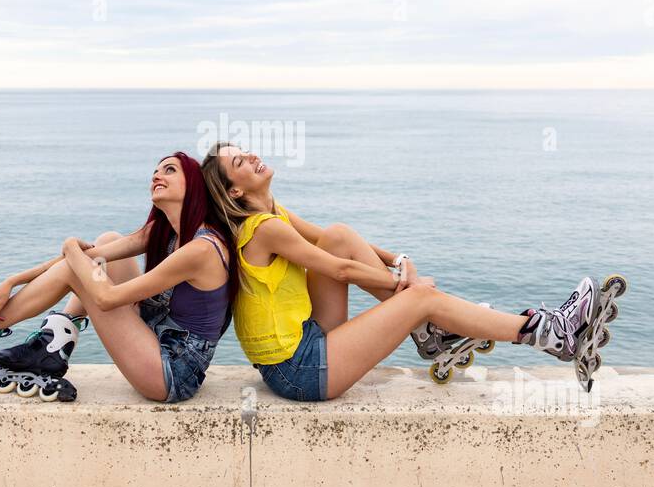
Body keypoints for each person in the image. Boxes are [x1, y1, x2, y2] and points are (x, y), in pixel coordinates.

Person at [200, 141, 624, 401]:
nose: (252, 155)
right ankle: (552, 334)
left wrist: (398, 261)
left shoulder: (276, 214)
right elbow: (341, 271)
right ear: (235, 191)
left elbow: (341, 246)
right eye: (239, 162)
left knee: (339, 233)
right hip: (298, 373)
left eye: (245, 150)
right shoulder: (264, 229)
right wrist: (410, 287)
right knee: (420, 297)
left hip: (307, 340)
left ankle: (432, 333)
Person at [0, 152, 234, 403]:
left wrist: (69, 247)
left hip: (172, 372)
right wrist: (14, 279)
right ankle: (50, 343)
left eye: (169, 170)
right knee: (106, 242)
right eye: (155, 171)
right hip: (155, 335)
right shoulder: (163, 231)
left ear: (193, 185)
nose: (156, 176)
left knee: (86, 271)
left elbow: (105, 298)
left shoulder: (202, 249)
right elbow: (84, 261)